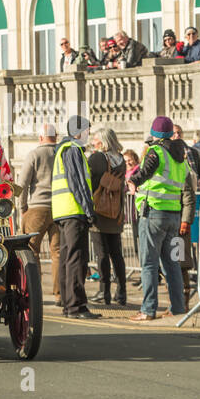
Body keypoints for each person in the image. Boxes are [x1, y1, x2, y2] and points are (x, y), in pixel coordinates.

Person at [130, 115, 195, 321]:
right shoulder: (180, 157)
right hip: (173, 216)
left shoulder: (156, 151)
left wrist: (132, 181)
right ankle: (177, 308)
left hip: (154, 213)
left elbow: (146, 171)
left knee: (149, 263)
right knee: (172, 264)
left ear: (155, 134)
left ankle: (148, 310)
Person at [51, 115, 100, 319]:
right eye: (87, 130)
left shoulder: (63, 148)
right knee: (76, 259)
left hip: (64, 211)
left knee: (66, 258)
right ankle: (76, 306)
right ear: (79, 132)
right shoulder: (73, 149)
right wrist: (89, 211)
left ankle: (67, 303)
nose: (89, 134)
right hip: (74, 210)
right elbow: (78, 183)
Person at [20, 123, 63, 304]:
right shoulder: (63, 153)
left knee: (31, 251)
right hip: (60, 206)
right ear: (56, 136)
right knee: (58, 253)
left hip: (37, 207)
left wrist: (22, 207)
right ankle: (60, 294)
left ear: (40, 137)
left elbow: (23, 184)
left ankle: (34, 292)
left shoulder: (34, 154)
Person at [87, 127, 129, 307]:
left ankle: (104, 292)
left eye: (95, 140)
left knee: (102, 253)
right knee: (117, 253)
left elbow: (89, 181)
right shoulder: (121, 160)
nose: (93, 143)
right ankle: (121, 293)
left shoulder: (97, 158)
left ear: (102, 141)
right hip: (115, 210)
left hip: (100, 210)